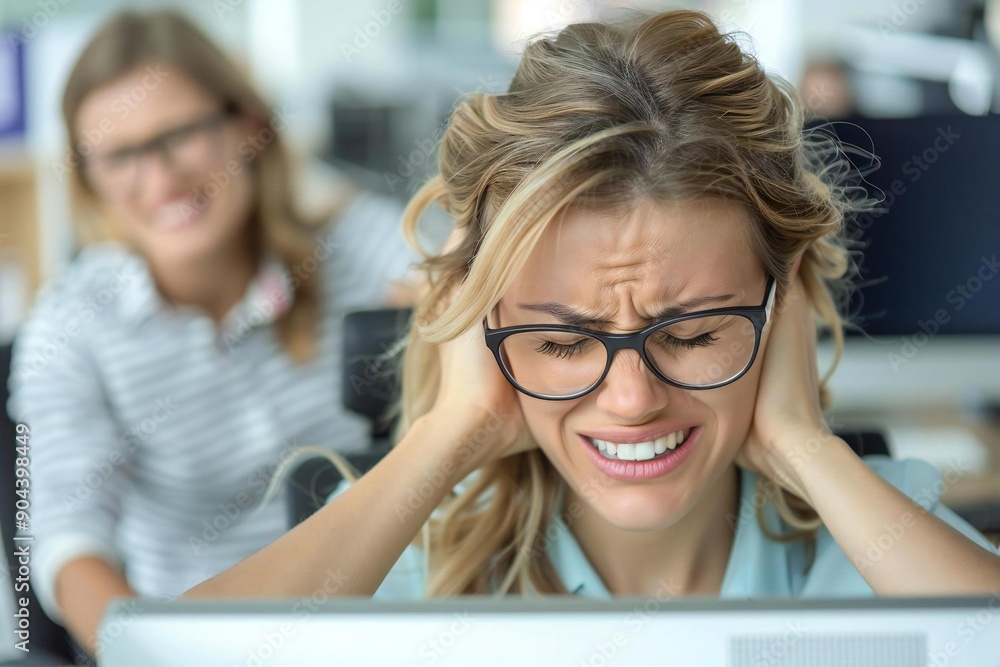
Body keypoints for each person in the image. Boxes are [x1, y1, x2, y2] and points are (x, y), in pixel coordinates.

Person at [183, 9, 1000, 607]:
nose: (632, 400)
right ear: (483, 326)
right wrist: (445, 434)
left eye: (694, 332)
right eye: (563, 341)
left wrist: (804, 446)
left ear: (780, 313)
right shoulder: (412, 563)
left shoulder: (870, 545)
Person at [8, 9, 414, 658]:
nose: (161, 178)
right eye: (120, 156)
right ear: (90, 180)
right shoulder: (70, 326)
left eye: (181, 133)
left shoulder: (354, 244)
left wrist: (450, 296)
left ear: (248, 126)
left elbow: (486, 288)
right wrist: (150, 653)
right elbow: (67, 540)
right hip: (197, 643)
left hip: (386, 629)